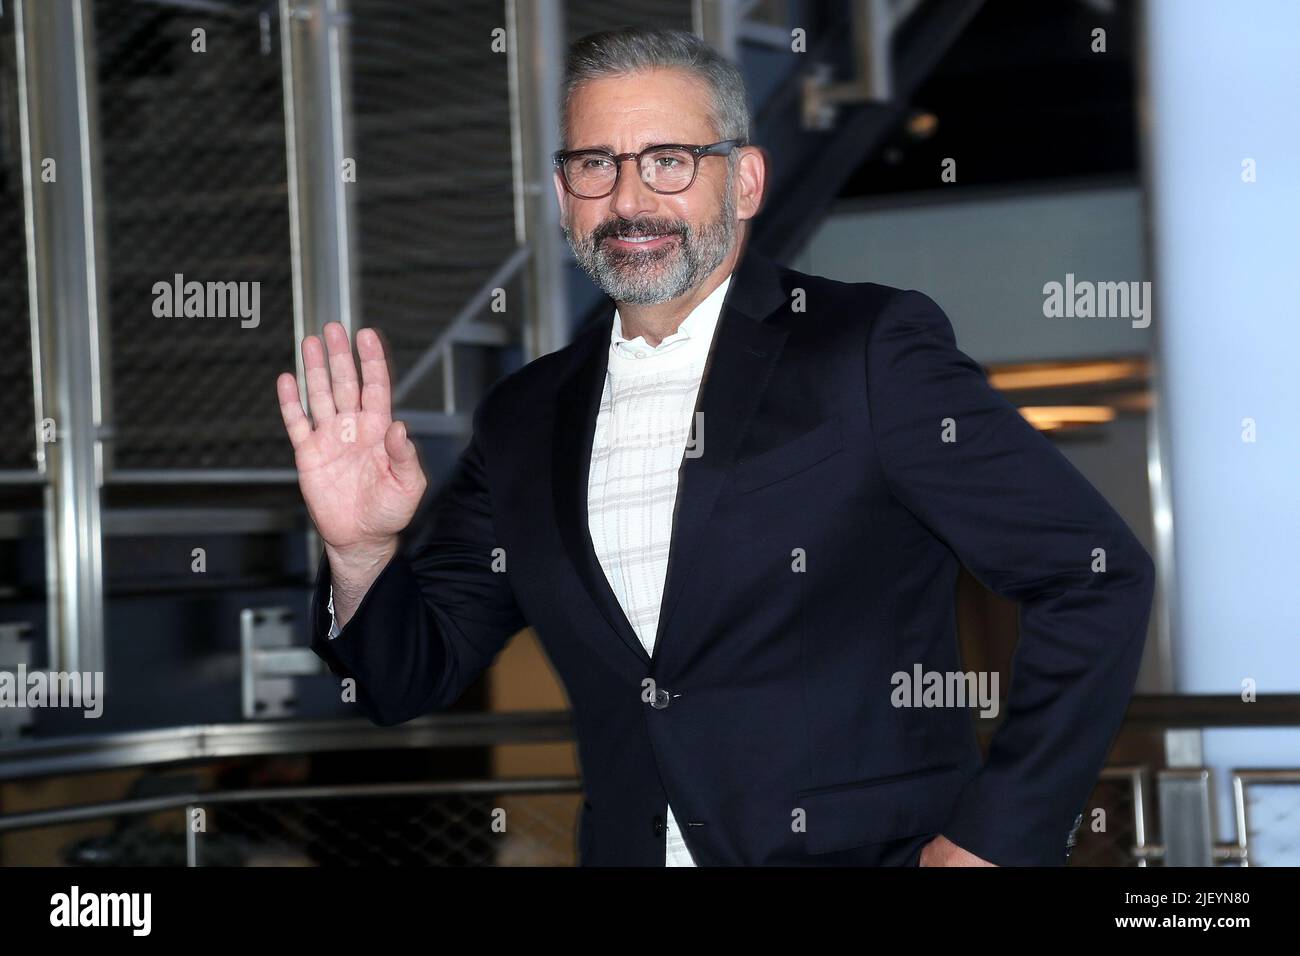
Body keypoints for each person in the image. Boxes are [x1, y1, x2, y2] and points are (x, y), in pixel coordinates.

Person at [276, 27, 1154, 866]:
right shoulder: (522, 416)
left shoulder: (866, 348)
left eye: (669, 161)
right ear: (561, 193)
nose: (628, 200)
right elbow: (403, 682)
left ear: (743, 182)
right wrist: (359, 553)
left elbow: (1093, 573)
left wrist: (1000, 836)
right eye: (595, 165)